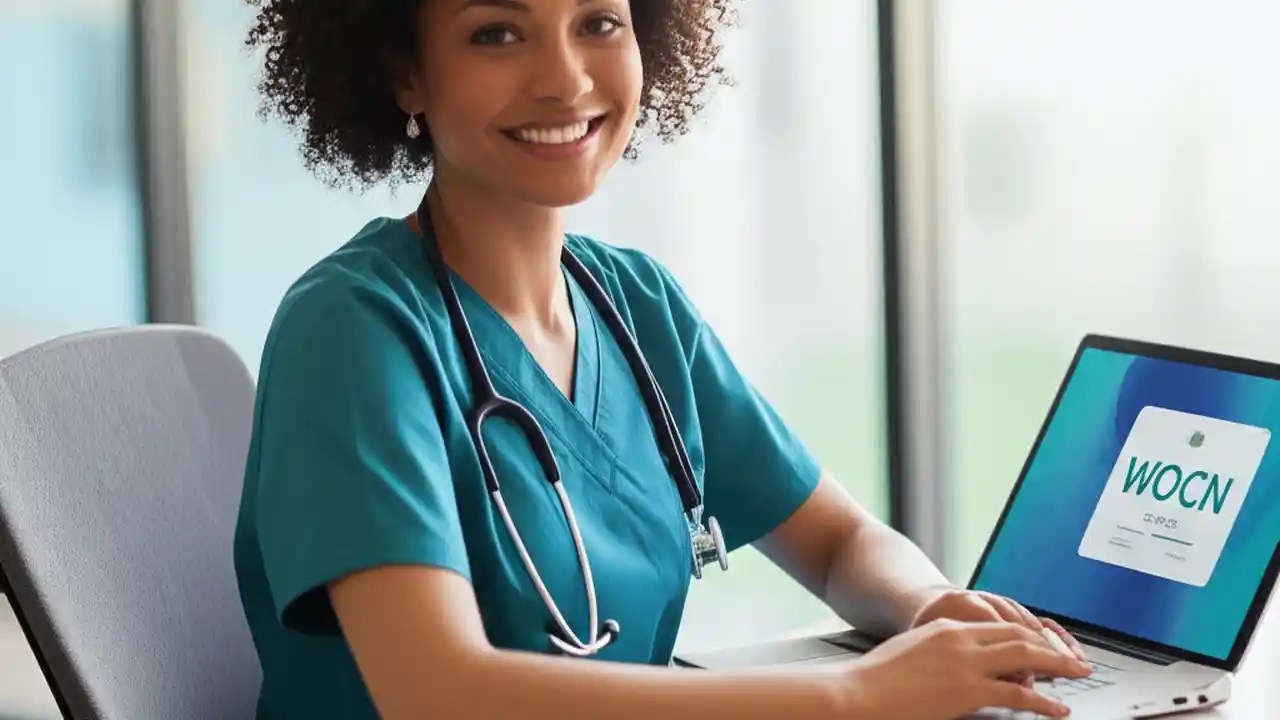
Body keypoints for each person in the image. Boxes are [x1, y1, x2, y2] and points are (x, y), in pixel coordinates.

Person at [231, 0, 1092, 717]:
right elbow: (437, 690)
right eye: (497, 32)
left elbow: (836, 542)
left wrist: (927, 607)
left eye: (598, 22)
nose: (565, 78)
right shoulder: (352, 330)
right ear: (406, 72)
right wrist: (853, 695)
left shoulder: (635, 306)